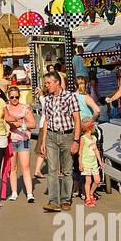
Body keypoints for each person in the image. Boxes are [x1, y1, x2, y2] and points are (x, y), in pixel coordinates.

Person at [35, 73, 80, 213]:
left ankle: (66, 200)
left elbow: (77, 119)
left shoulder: (70, 96)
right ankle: (53, 201)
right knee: (52, 169)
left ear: (57, 82)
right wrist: (43, 141)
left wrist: (76, 140)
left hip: (67, 136)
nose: (46, 86)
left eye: (48, 83)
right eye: (46, 83)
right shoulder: (47, 99)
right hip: (51, 137)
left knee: (67, 170)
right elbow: (47, 121)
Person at [79, 120, 102, 207]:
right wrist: (80, 163)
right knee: (88, 180)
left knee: (97, 180)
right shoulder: (83, 138)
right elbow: (80, 151)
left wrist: (100, 161)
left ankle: (91, 193)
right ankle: (88, 198)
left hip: (94, 163)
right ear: (89, 128)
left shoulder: (94, 138)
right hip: (86, 162)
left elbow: (96, 150)